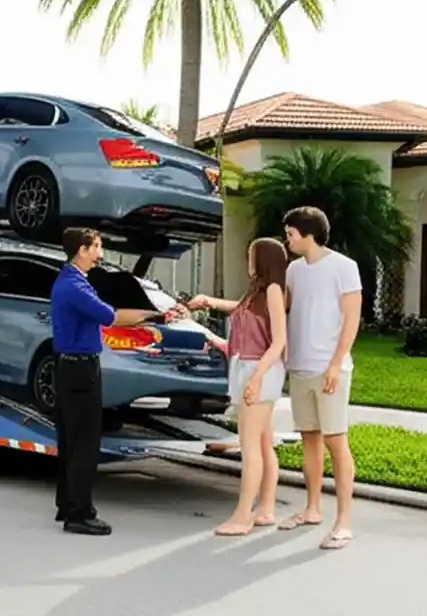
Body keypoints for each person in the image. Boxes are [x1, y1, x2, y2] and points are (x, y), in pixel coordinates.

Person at [49, 227, 162, 536]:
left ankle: (66, 504)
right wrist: (153, 316)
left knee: (70, 439)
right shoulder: (74, 286)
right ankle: (80, 514)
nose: (100, 253)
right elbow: (109, 317)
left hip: (70, 366)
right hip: (80, 370)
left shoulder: (70, 280)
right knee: (85, 442)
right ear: (81, 250)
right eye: (97, 247)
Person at [185, 238, 289, 536]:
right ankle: (265, 509)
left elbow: (278, 341)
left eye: (250, 255)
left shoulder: (272, 290)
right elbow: (243, 316)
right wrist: (209, 306)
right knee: (263, 443)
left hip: (260, 370)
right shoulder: (256, 289)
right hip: (248, 366)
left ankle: (243, 516)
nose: (248, 260)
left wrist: (255, 378)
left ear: (262, 259)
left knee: (250, 446)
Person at [276, 206, 362, 551]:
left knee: (336, 442)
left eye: (291, 234)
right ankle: (312, 509)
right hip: (300, 367)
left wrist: (335, 364)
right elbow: (281, 308)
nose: (288, 239)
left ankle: (343, 523)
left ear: (309, 234)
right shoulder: (294, 271)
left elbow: (352, 319)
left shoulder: (344, 267)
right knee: (309, 439)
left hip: (331, 370)